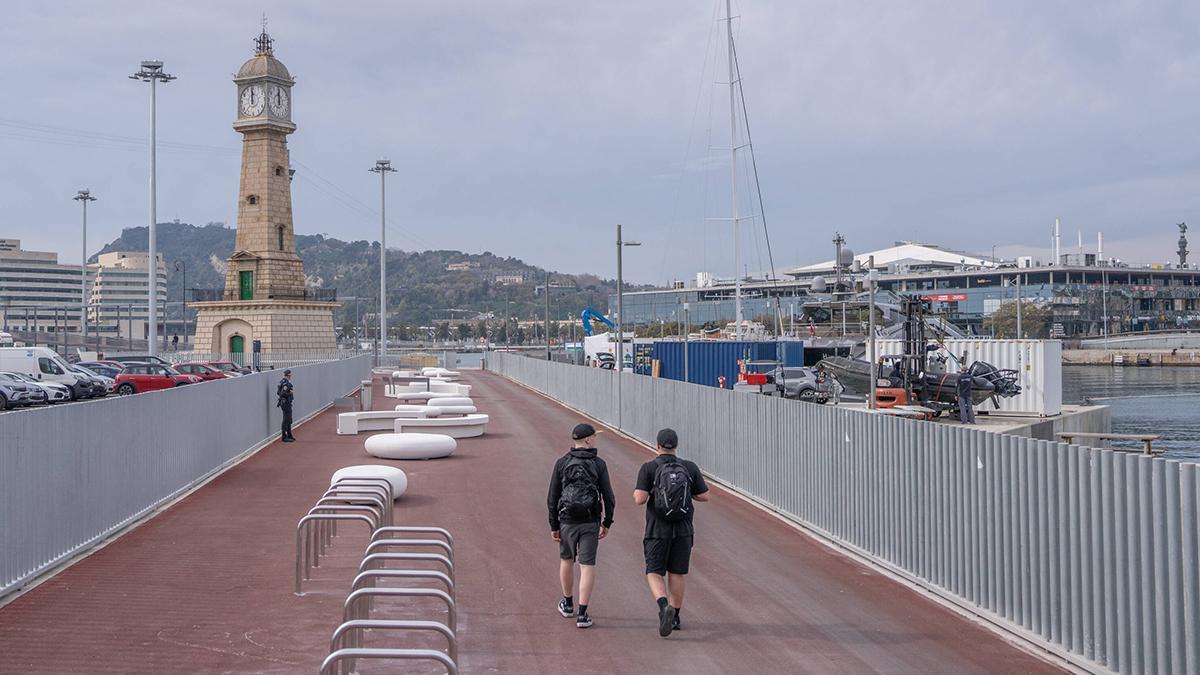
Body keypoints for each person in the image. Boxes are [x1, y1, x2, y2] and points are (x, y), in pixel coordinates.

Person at [633, 428, 709, 637]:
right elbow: (705, 495)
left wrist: (652, 492)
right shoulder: (689, 467)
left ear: (657, 445)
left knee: (654, 571)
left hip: (657, 530)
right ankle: (675, 616)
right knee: (677, 572)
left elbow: (639, 499)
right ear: (676, 446)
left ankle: (663, 605)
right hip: (684, 530)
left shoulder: (649, 468)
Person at [547, 423, 616, 629]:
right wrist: (607, 522)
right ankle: (583, 614)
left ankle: (567, 604)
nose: (595, 440)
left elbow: (552, 497)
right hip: (590, 520)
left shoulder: (562, 463)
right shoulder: (599, 464)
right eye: (594, 437)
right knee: (587, 566)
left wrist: (554, 524)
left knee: (566, 560)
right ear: (587, 440)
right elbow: (609, 497)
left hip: (567, 520)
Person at [277, 369, 295, 442]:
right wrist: (290, 393)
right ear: (288, 375)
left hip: (286, 403)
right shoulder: (285, 383)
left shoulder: (282, 382)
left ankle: (289, 435)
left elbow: (278, 392)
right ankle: (284, 436)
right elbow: (281, 393)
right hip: (285, 403)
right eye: (290, 375)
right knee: (286, 420)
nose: (290, 376)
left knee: (289, 420)